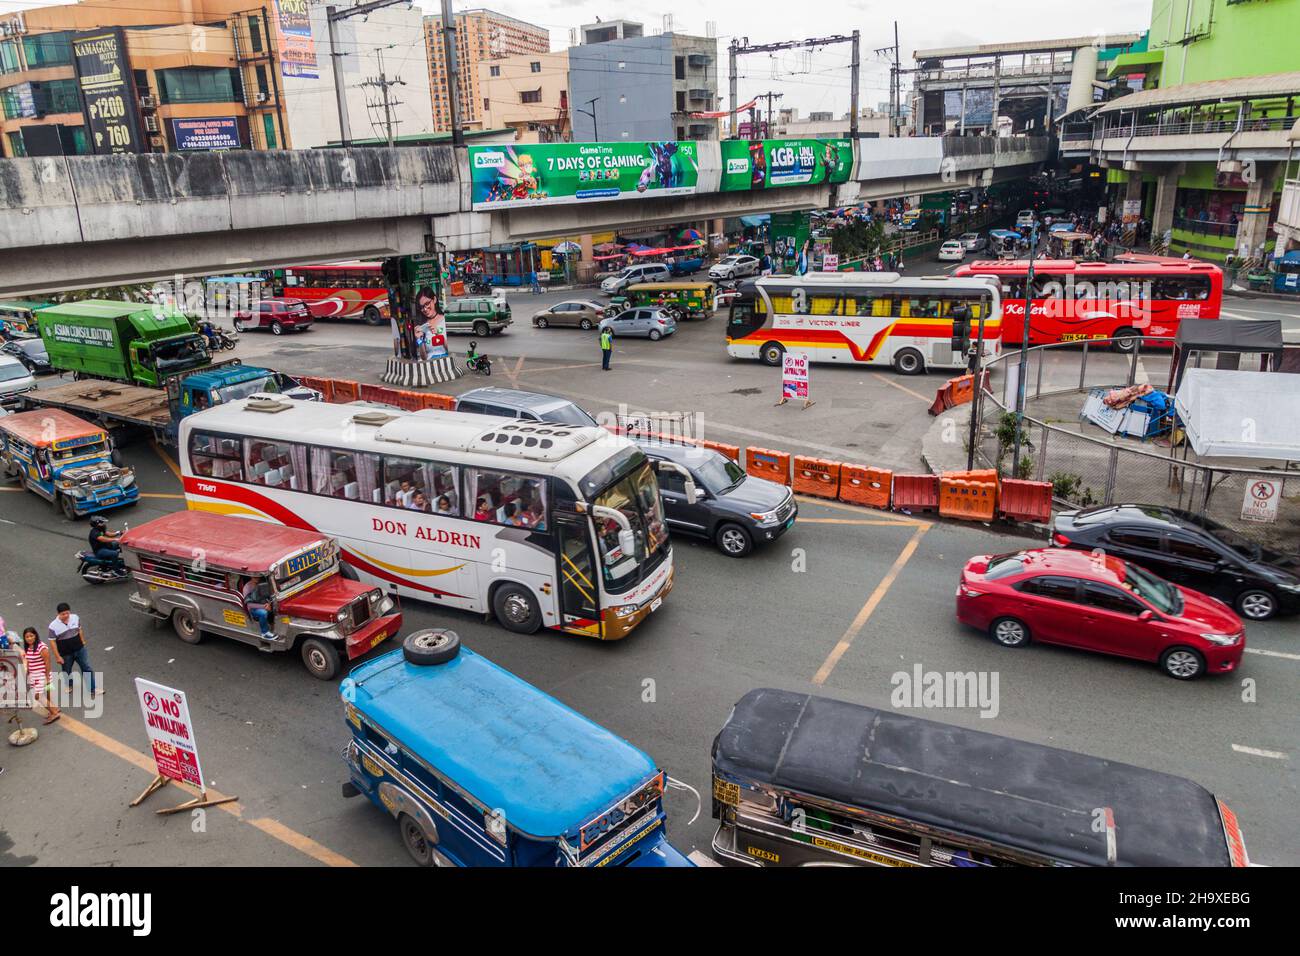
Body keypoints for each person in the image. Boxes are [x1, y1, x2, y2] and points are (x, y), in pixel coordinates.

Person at [48, 603, 96, 698]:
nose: (65, 616)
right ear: (58, 614)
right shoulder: (53, 626)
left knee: (86, 668)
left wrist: (82, 641)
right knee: (66, 670)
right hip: (65, 653)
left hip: (79, 649)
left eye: (67, 613)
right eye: (63, 614)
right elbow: (52, 642)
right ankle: (69, 684)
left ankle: (92, 688)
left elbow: (79, 629)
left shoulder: (75, 618)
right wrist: (57, 656)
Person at [23, 627, 60, 724]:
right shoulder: (28, 647)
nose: (29, 638)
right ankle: (54, 709)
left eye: (31, 636)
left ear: (35, 636)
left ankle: (54, 713)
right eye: (27, 637)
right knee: (48, 694)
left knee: (38, 696)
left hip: (43, 675)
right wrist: (28, 673)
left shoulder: (42, 647)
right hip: (34, 676)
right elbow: (29, 662)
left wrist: (47, 677)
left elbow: (47, 663)